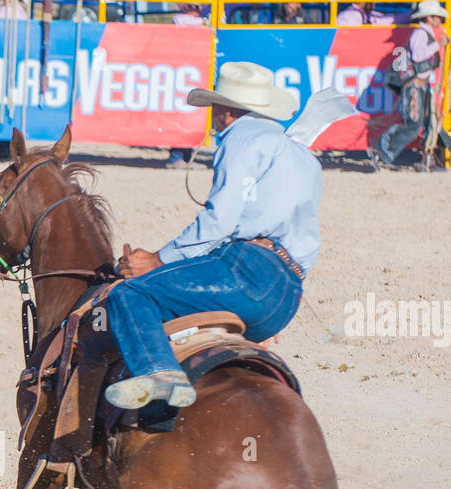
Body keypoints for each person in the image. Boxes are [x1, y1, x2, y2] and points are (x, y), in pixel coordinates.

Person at [103, 62, 319, 411]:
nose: (214, 117)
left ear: (228, 112)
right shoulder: (301, 155)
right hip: (286, 297)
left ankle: (161, 374)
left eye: (216, 109)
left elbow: (220, 221)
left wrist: (158, 260)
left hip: (247, 275)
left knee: (132, 294)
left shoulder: (240, 139)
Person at [371, 0, 447, 168]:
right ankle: (382, 149)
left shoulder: (423, 33)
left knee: (425, 121)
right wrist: (438, 45)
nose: (440, 20)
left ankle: (427, 158)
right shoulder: (421, 34)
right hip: (415, 85)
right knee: (414, 125)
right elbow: (419, 56)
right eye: (437, 17)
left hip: (420, 85)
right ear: (429, 18)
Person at [336, 2, 400, 24]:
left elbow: (385, 19)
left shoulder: (368, 13)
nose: (375, 2)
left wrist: (409, 15)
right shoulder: (351, 14)